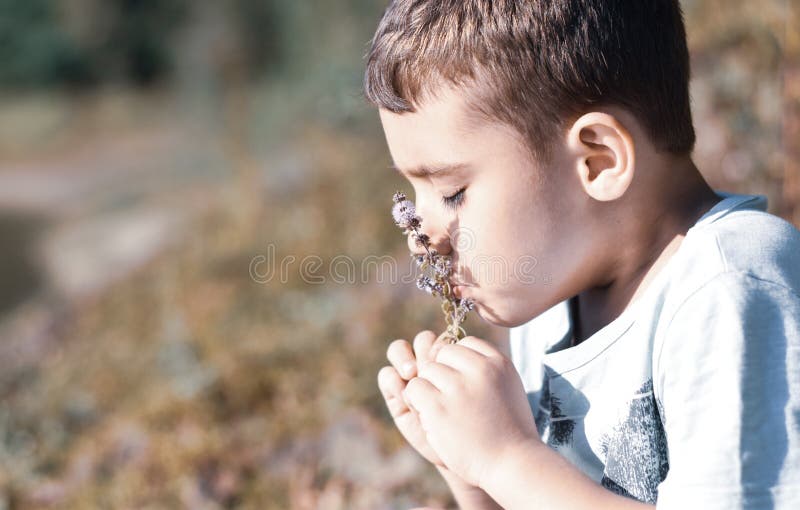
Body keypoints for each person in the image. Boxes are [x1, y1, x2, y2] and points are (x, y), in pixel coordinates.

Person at [364, 1, 800, 509]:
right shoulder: (548, 305)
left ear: (598, 159)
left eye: (453, 192)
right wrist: (469, 472)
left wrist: (507, 459)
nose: (422, 238)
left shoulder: (729, 290)